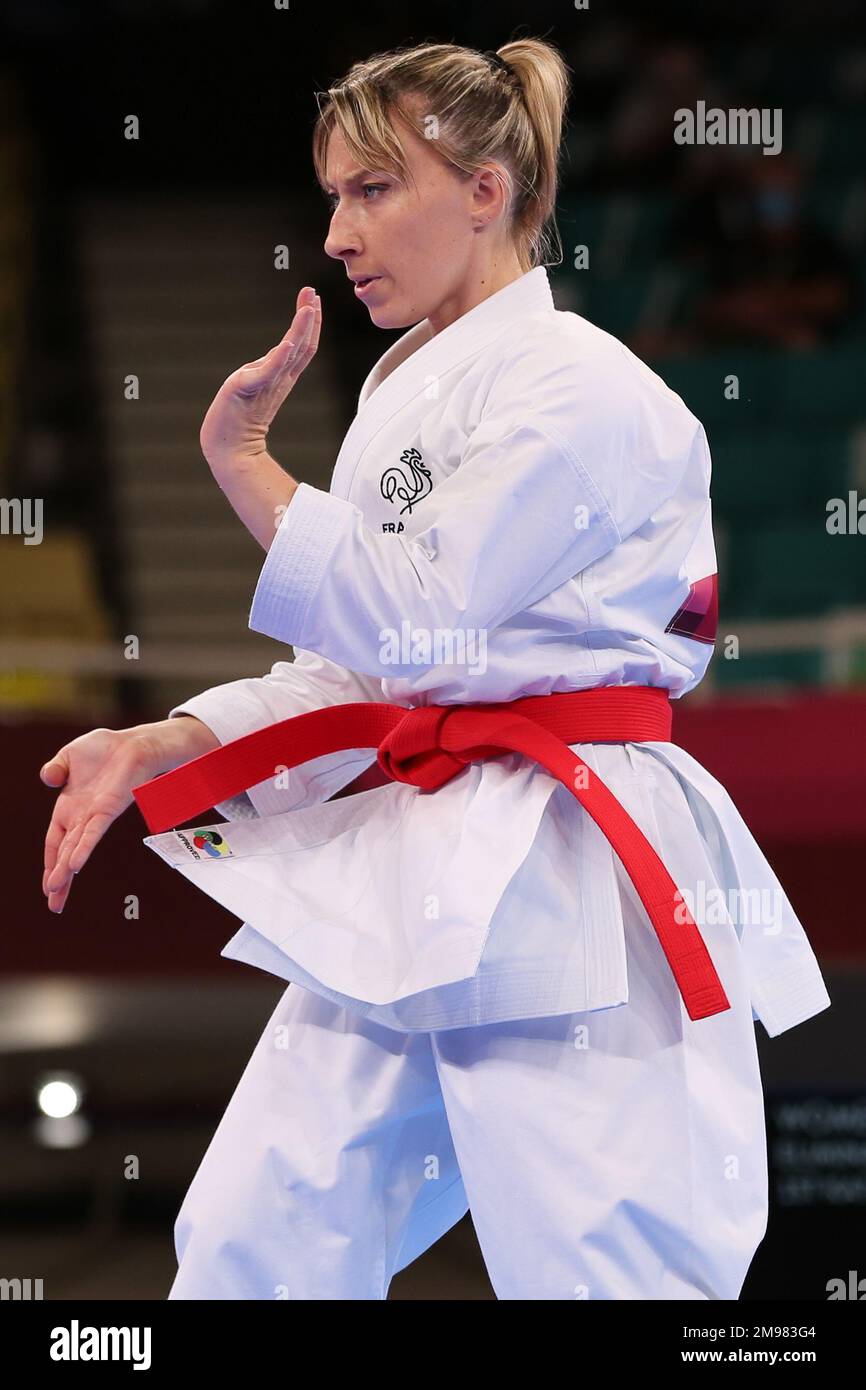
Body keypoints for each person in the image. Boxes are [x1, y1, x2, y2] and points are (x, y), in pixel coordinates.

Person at [39, 39, 831, 1301]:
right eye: (330, 196)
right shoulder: (399, 397)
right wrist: (169, 741)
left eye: (370, 190)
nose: (337, 232)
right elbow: (354, 676)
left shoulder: (585, 391)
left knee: (603, 1273)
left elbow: (427, 624)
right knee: (252, 1248)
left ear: (486, 189)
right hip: (424, 865)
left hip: (572, 862)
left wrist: (247, 466)